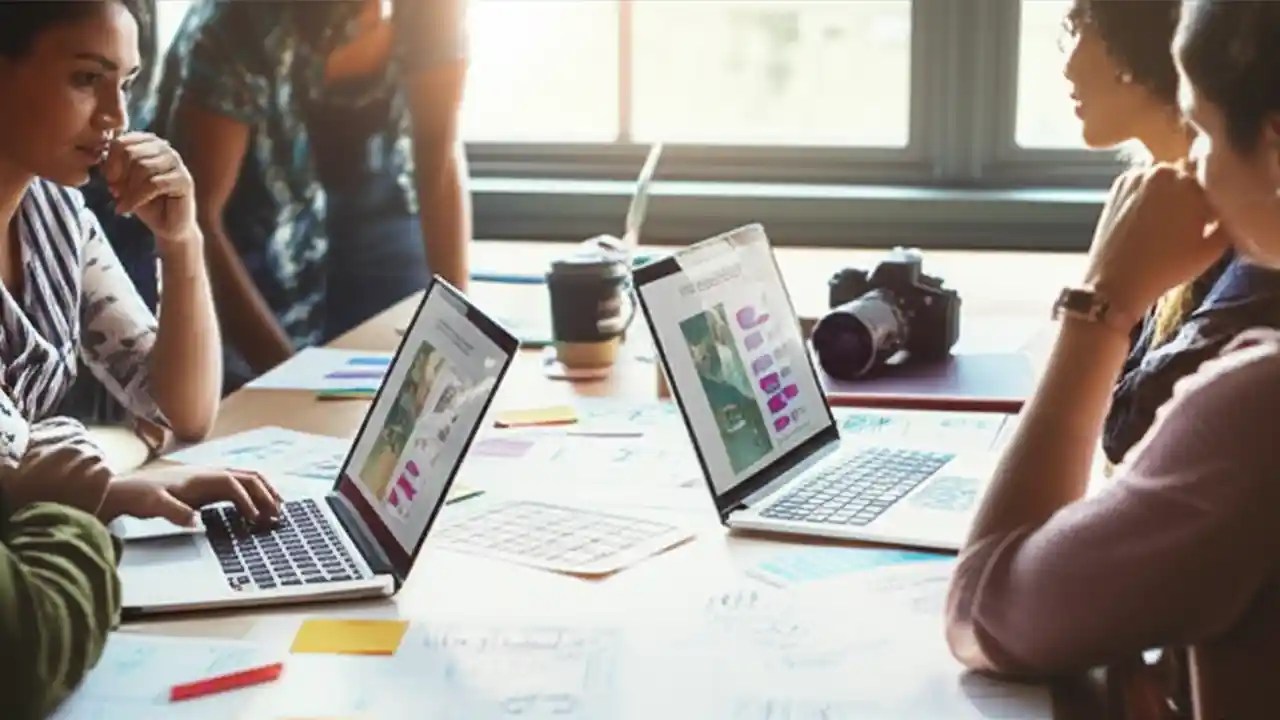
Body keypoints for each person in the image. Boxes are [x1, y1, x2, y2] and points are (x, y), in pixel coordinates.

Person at [947, 1, 1280, 714]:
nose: (1192, 159)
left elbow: (983, 613)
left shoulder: (1259, 402)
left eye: (1202, 129)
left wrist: (1098, 305)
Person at [0, 0, 281, 526]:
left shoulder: (56, 216)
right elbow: (13, 467)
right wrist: (122, 478)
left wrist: (181, 241)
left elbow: (184, 413)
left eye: (125, 84)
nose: (117, 117)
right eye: (86, 78)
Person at [155, 0, 470, 389]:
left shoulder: (435, 9)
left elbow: (437, 151)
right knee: (228, 386)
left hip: (373, 189)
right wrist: (292, 381)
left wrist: (459, 330)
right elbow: (198, 218)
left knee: (405, 364)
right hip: (245, 219)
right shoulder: (237, 25)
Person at [1061, 0, 1280, 467]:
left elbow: (1127, 428)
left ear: (1136, 47)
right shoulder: (1170, 202)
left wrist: (1098, 299)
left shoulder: (1256, 232)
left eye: (1085, 31)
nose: (1067, 65)